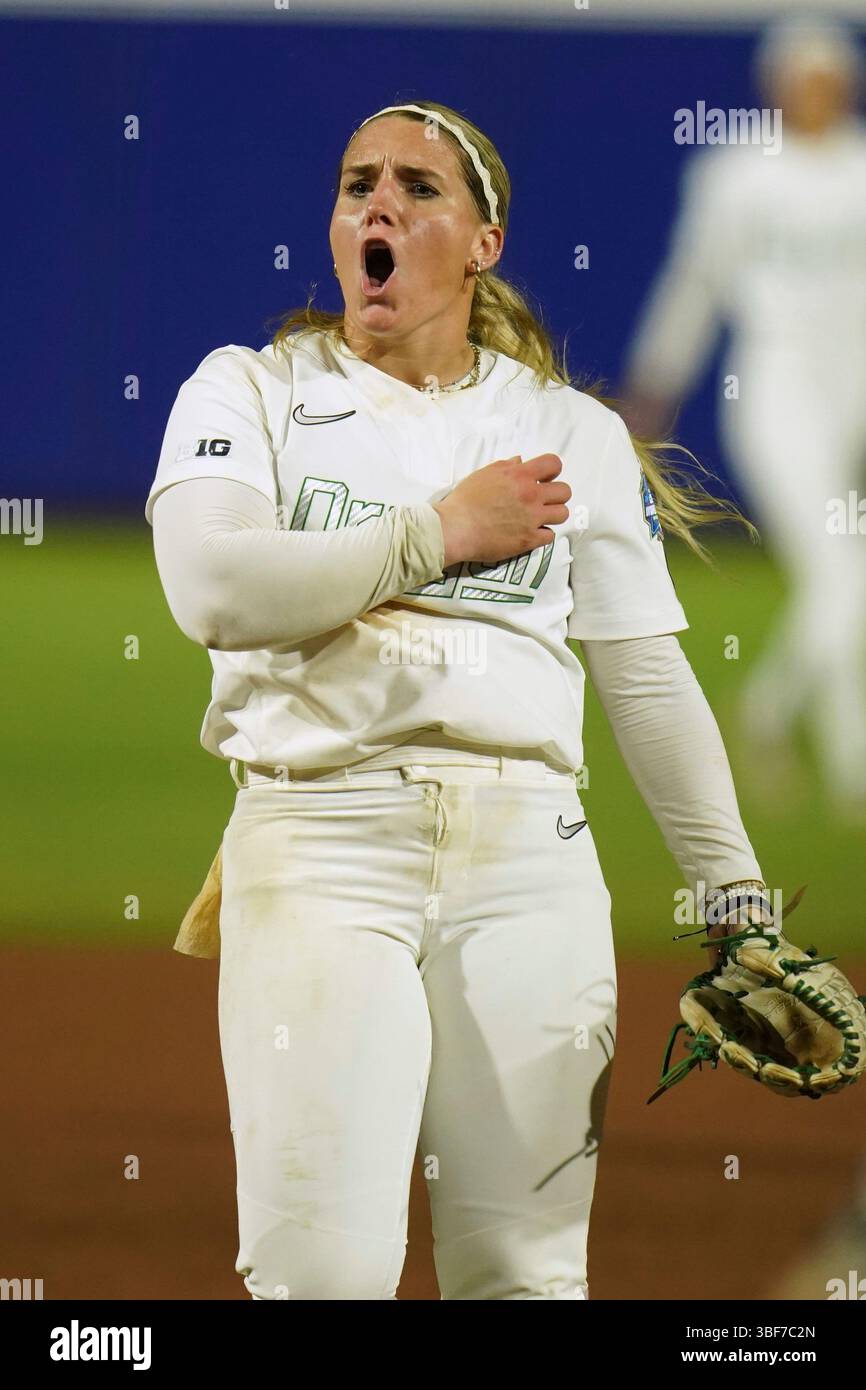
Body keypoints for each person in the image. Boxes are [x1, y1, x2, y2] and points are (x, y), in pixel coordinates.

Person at [146, 99, 772, 1301]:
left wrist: (732, 893)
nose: (376, 202)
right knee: (322, 1276)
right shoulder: (248, 391)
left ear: (482, 242)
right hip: (318, 841)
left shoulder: (564, 432)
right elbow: (215, 589)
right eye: (354, 183)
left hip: (530, 860)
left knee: (525, 1279)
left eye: (417, 188)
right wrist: (440, 532)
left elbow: (642, 676)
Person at [621, 16, 866, 817]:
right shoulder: (738, 176)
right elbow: (695, 282)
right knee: (841, 573)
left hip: (855, 390)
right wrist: (655, 384)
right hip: (776, 389)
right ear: (778, 86)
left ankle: (849, 764)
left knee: (840, 574)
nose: (817, 94)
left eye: (829, 77)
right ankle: (766, 713)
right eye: (803, 79)